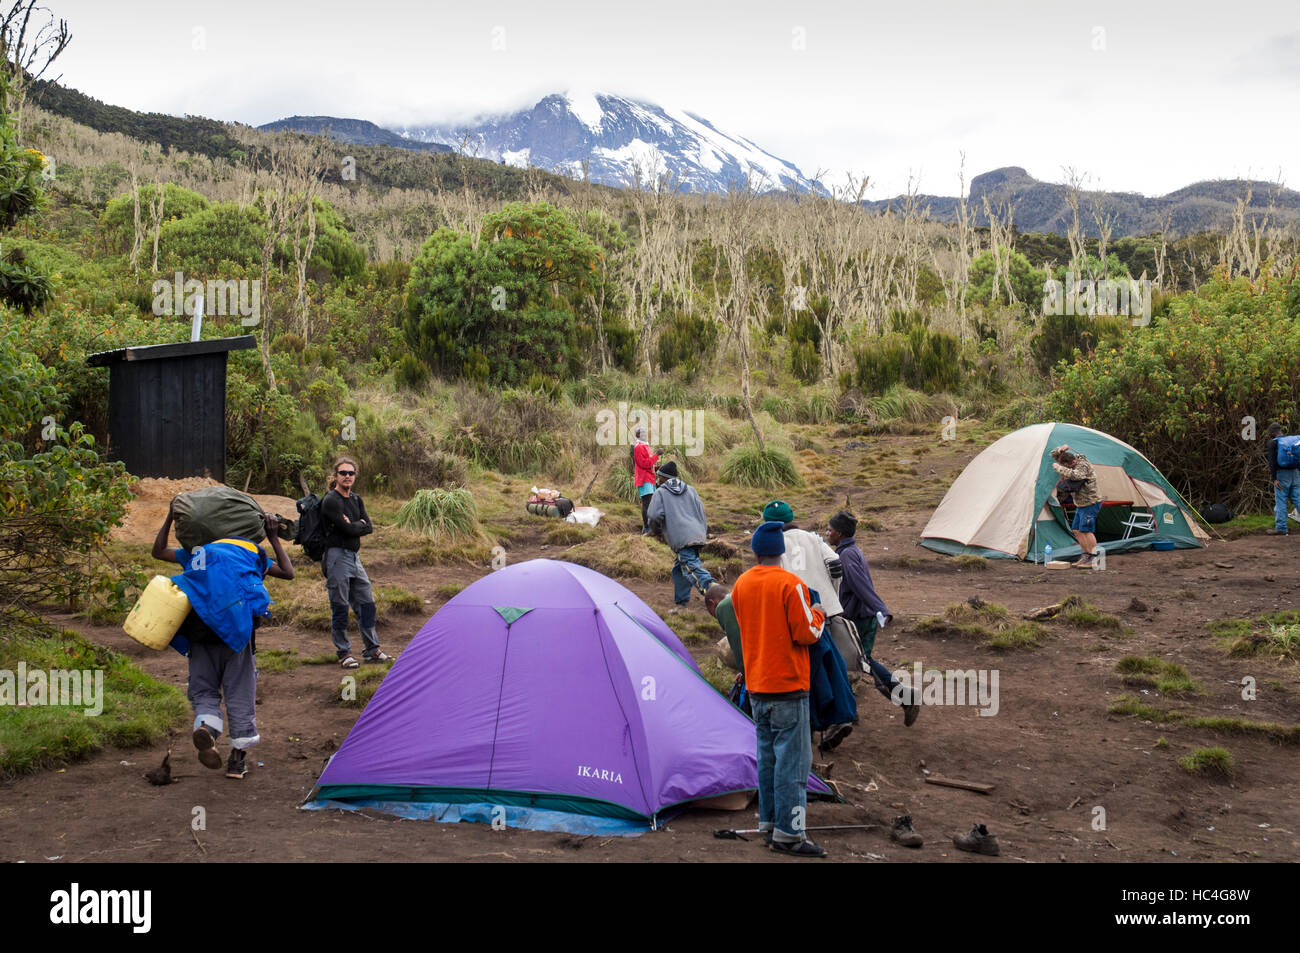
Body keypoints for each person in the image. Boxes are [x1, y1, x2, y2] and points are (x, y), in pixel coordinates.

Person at [151, 506, 295, 779]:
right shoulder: (250, 554)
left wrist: (170, 516)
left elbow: (158, 552)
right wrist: (274, 538)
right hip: (237, 638)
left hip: (200, 635)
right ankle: (237, 762)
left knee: (204, 691)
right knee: (240, 694)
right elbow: (288, 572)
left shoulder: (197, 552)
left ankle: (207, 727)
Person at [730, 520, 827, 857]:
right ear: (780, 552)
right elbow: (806, 633)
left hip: (757, 686)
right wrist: (819, 614)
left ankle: (769, 824)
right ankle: (791, 834)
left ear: (756, 551)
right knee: (794, 765)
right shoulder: (791, 584)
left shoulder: (741, 584)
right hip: (787, 685)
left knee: (768, 760)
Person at [760, 500, 856, 750]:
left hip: (799, 612)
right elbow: (835, 564)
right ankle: (842, 714)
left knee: (808, 669)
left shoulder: (775, 545)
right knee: (835, 662)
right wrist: (831, 595)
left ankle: (815, 723)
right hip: (826, 608)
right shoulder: (812, 538)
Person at [825, 511, 920, 726]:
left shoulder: (847, 555)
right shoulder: (850, 551)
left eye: (829, 530)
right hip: (861, 616)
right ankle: (849, 711)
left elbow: (860, 585)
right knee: (847, 661)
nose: (827, 533)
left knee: (860, 662)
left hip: (859, 619)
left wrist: (880, 609)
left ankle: (906, 699)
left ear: (839, 533)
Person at [320, 456, 391, 668]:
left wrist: (355, 524)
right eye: (343, 473)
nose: (347, 476)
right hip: (336, 556)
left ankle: (372, 649)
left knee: (366, 603)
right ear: (336, 476)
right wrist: (355, 525)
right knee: (340, 605)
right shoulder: (331, 501)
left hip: (353, 556)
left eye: (351, 473)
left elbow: (368, 526)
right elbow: (350, 529)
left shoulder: (356, 500)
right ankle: (344, 652)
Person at [645, 460, 714, 607]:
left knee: (692, 570)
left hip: (682, 539)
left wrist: (656, 531)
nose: (658, 480)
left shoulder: (661, 492)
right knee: (679, 569)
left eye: (659, 477)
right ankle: (681, 602)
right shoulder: (691, 489)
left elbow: (653, 515)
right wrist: (702, 532)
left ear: (664, 478)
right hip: (697, 535)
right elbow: (701, 511)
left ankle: (717, 594)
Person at [1049, 445, 1101, 566]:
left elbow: (1077, 475)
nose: (1067, 468)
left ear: (1073, 461)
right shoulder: (1069, 459)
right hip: (1080, 503)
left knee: (1086, 530)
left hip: (1090, 502)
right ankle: (1085, 556)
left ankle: (1093, 557)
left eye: (1068, 466)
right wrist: (1060, 450)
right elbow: (1053, 454)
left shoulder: (1083, 465)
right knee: (1077, 530)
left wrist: (1059, 468)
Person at [1266, 422, 1300, 535]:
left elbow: (1271, 462)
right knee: (1298, 499)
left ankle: (1281, 527)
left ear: (1272, 432)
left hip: (1281, 475)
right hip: (1295, 473)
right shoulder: (1292, 441)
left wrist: (1274, 478)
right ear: (1280, 430)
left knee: (1281, 500)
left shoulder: (1273, 443)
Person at [631, 426, 660, 531]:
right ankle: (647, 527)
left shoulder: (645, 446)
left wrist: (656, 468)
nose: (644, 434)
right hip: (644, 479)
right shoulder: (638, 447)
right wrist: (657, 455)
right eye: (641, 432)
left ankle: (649, 526)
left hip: (650, 478)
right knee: (646, 502)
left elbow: (648, 463)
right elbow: (643, 463)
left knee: (651, 502)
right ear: (637, 435)